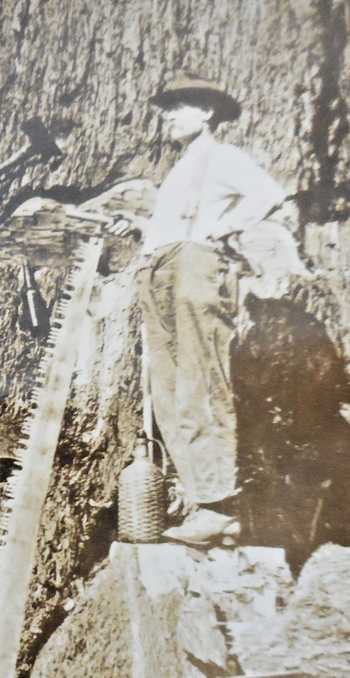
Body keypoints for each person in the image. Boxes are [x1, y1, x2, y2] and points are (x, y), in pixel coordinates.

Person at [110, 71, 288, 545]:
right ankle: (205, 503)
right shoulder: (181, 168)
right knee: (168, 389)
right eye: (165, 110)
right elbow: (173, 224)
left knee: (200, 381)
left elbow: (269, 194)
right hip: (161, 268)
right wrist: (141, 228)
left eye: (178, 107)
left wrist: (221, 230)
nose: (167, 117)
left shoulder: (223, 156)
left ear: (207, 112)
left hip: (195, 267)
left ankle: (219, 505)